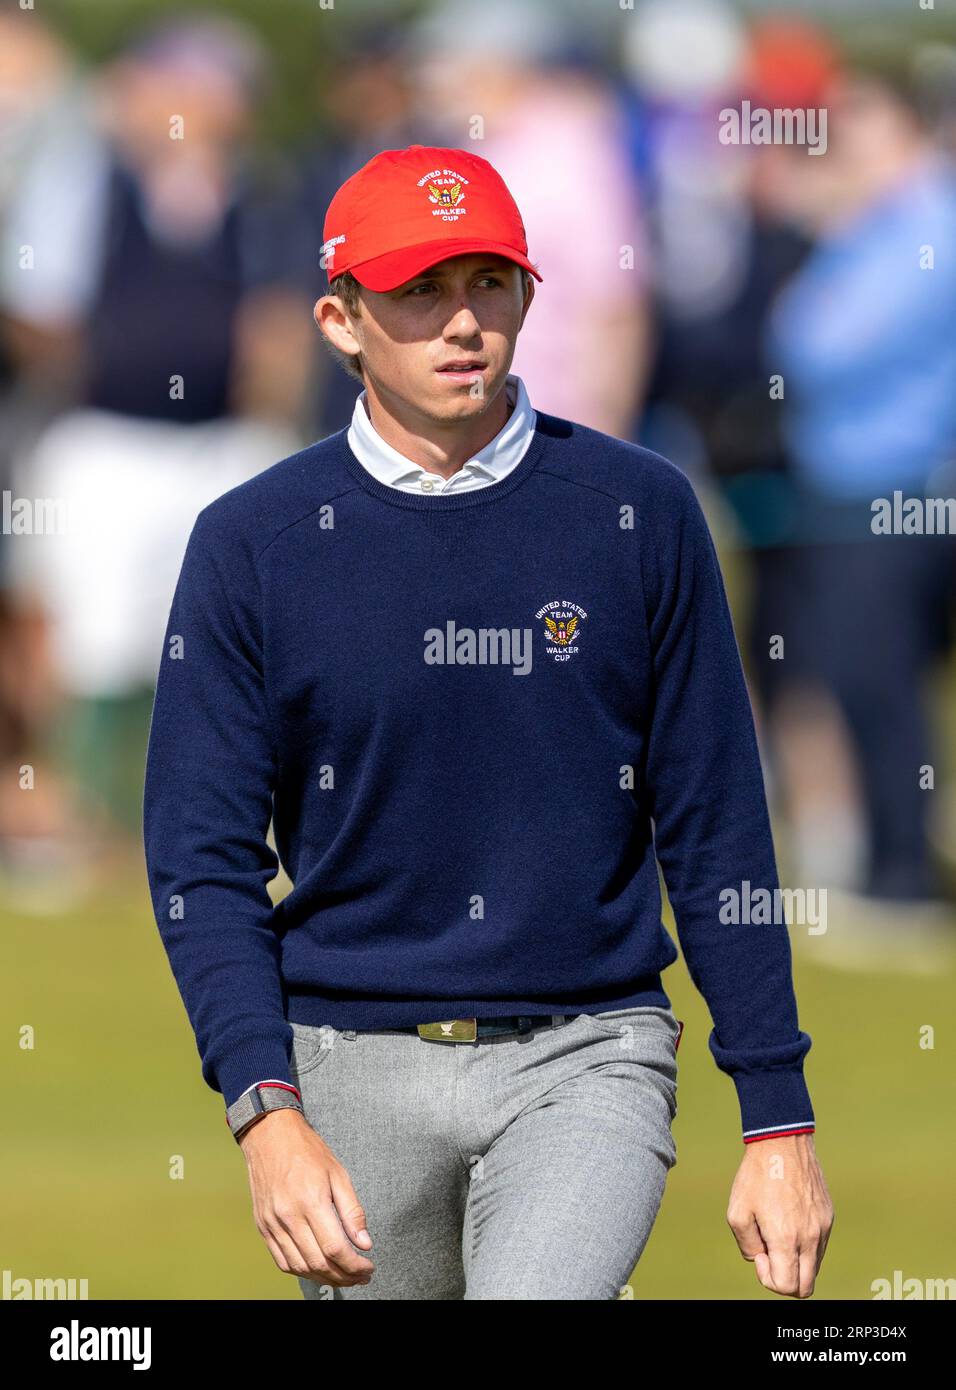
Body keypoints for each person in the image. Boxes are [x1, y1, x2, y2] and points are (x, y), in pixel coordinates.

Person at [143, 144, 833, 1301]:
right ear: (339, 317)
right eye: (420, 290)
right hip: (343, 1069)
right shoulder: (250, 543)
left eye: (489, 283)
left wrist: (777, 1118)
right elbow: (202, 860)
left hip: (589, 1052)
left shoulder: (639, 513)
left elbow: (716, 824)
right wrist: (263, 1109)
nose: (462, 321)